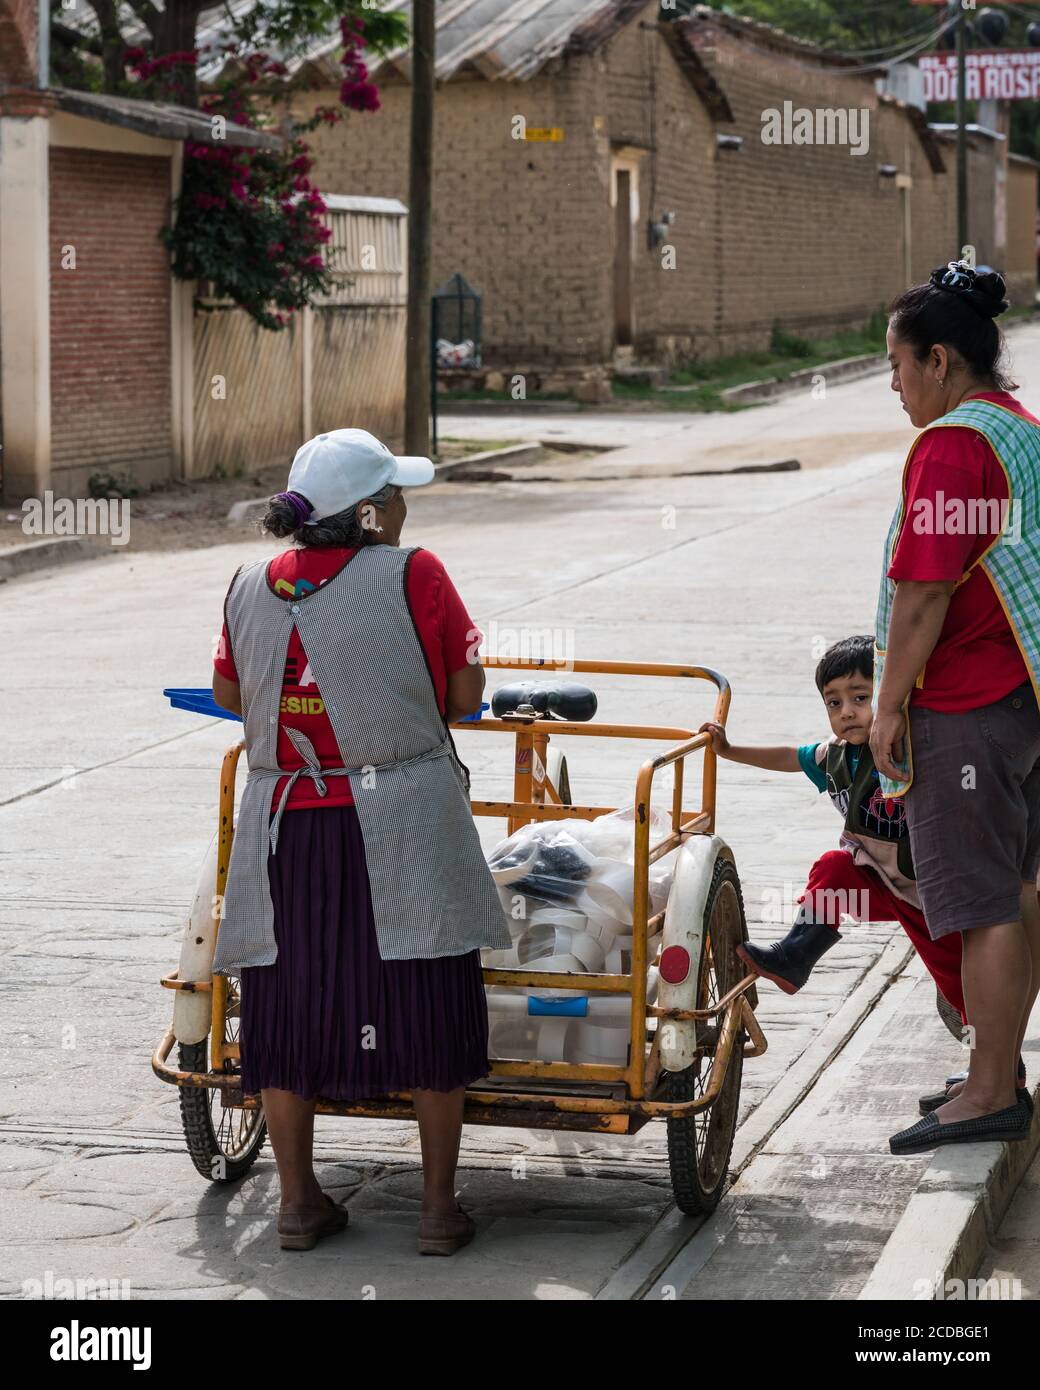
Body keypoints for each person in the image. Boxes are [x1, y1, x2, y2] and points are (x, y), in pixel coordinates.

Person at [210, 427, 512, 1252]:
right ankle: (438, 1211)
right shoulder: (415, 573)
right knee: (428, 997)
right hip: (402, 821)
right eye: (398, 496)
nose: (408, 508)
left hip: (286, 833)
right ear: (372, 514)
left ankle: (300, 1203)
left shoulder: (247, 582)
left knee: (286, 1003)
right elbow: (461, 691)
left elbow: (229, 690)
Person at [871, 263, 1040, 1155]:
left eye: (897, 367)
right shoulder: (1020, 430)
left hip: (967, 701)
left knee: (980, 905)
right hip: (1024, 697)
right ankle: (999, 1067)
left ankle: (988, 1092)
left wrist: (887, 704)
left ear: (938, 360)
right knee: (1017, 888)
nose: (894, 387)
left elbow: (925, 592)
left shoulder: (949, 444)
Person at [699, 636, 966, 1031]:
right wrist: (730, 749)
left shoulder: (912, 746)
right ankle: (795, 955)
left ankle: (999, 1071)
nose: (847, 713)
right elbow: (790, 756)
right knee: (833, 866)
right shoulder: (835, 755)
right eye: (834, 702)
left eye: (861, 697)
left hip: (928, 894)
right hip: (874, 883)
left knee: (961, 985)